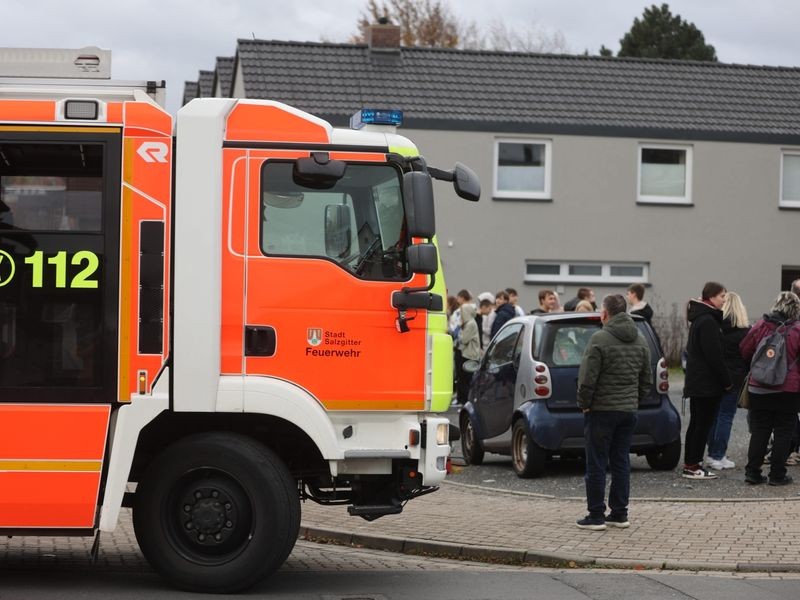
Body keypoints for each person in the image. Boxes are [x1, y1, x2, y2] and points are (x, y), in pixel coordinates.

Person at [575, 294, 651, 530]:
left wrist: (584, 403)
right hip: (628, 411)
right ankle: (619, 513)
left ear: (605, 313)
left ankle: (596, 515)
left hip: (601, 410)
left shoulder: (599, 339)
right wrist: (634, 401)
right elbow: (646, 379)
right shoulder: (640, 339)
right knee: (621, 462)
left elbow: (587, 378)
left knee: (596, 463)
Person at [740, 291, 800, 486]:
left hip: (759, 387)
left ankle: (752, 472)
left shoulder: (761, 325)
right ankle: (777, 475)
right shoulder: (797, 330)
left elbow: (744, 349)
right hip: (788, 390)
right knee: (783, 432)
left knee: (760, 430)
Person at [682, 282, 732, 480]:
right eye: (722, 296)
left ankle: (691, 463)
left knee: (697, 424)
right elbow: (714, 356)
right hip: (706, 384)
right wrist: (726, 381)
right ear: (711, 297)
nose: (724, 300)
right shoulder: (708, 321)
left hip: (699, 383)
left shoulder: (702, 319)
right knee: (701, 425)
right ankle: (693, 466)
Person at [705, 291, 750, 471]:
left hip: (716, 376)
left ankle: (712, 454)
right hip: (735, 378)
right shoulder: (745, 332)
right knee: (726, 416)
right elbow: (747, 355)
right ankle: (718, 455)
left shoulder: (716, 327)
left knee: (714, 416)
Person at [456, 303, 481, 405]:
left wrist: (458, 334)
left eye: (462, 312)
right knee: (464, 378)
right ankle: (463, 400)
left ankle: (466, 401)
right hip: (469, 354)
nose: (461, 315)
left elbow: (464, 339)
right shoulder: (470, 323)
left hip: (469, 355)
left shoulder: (470, 324)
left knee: (466, 379)